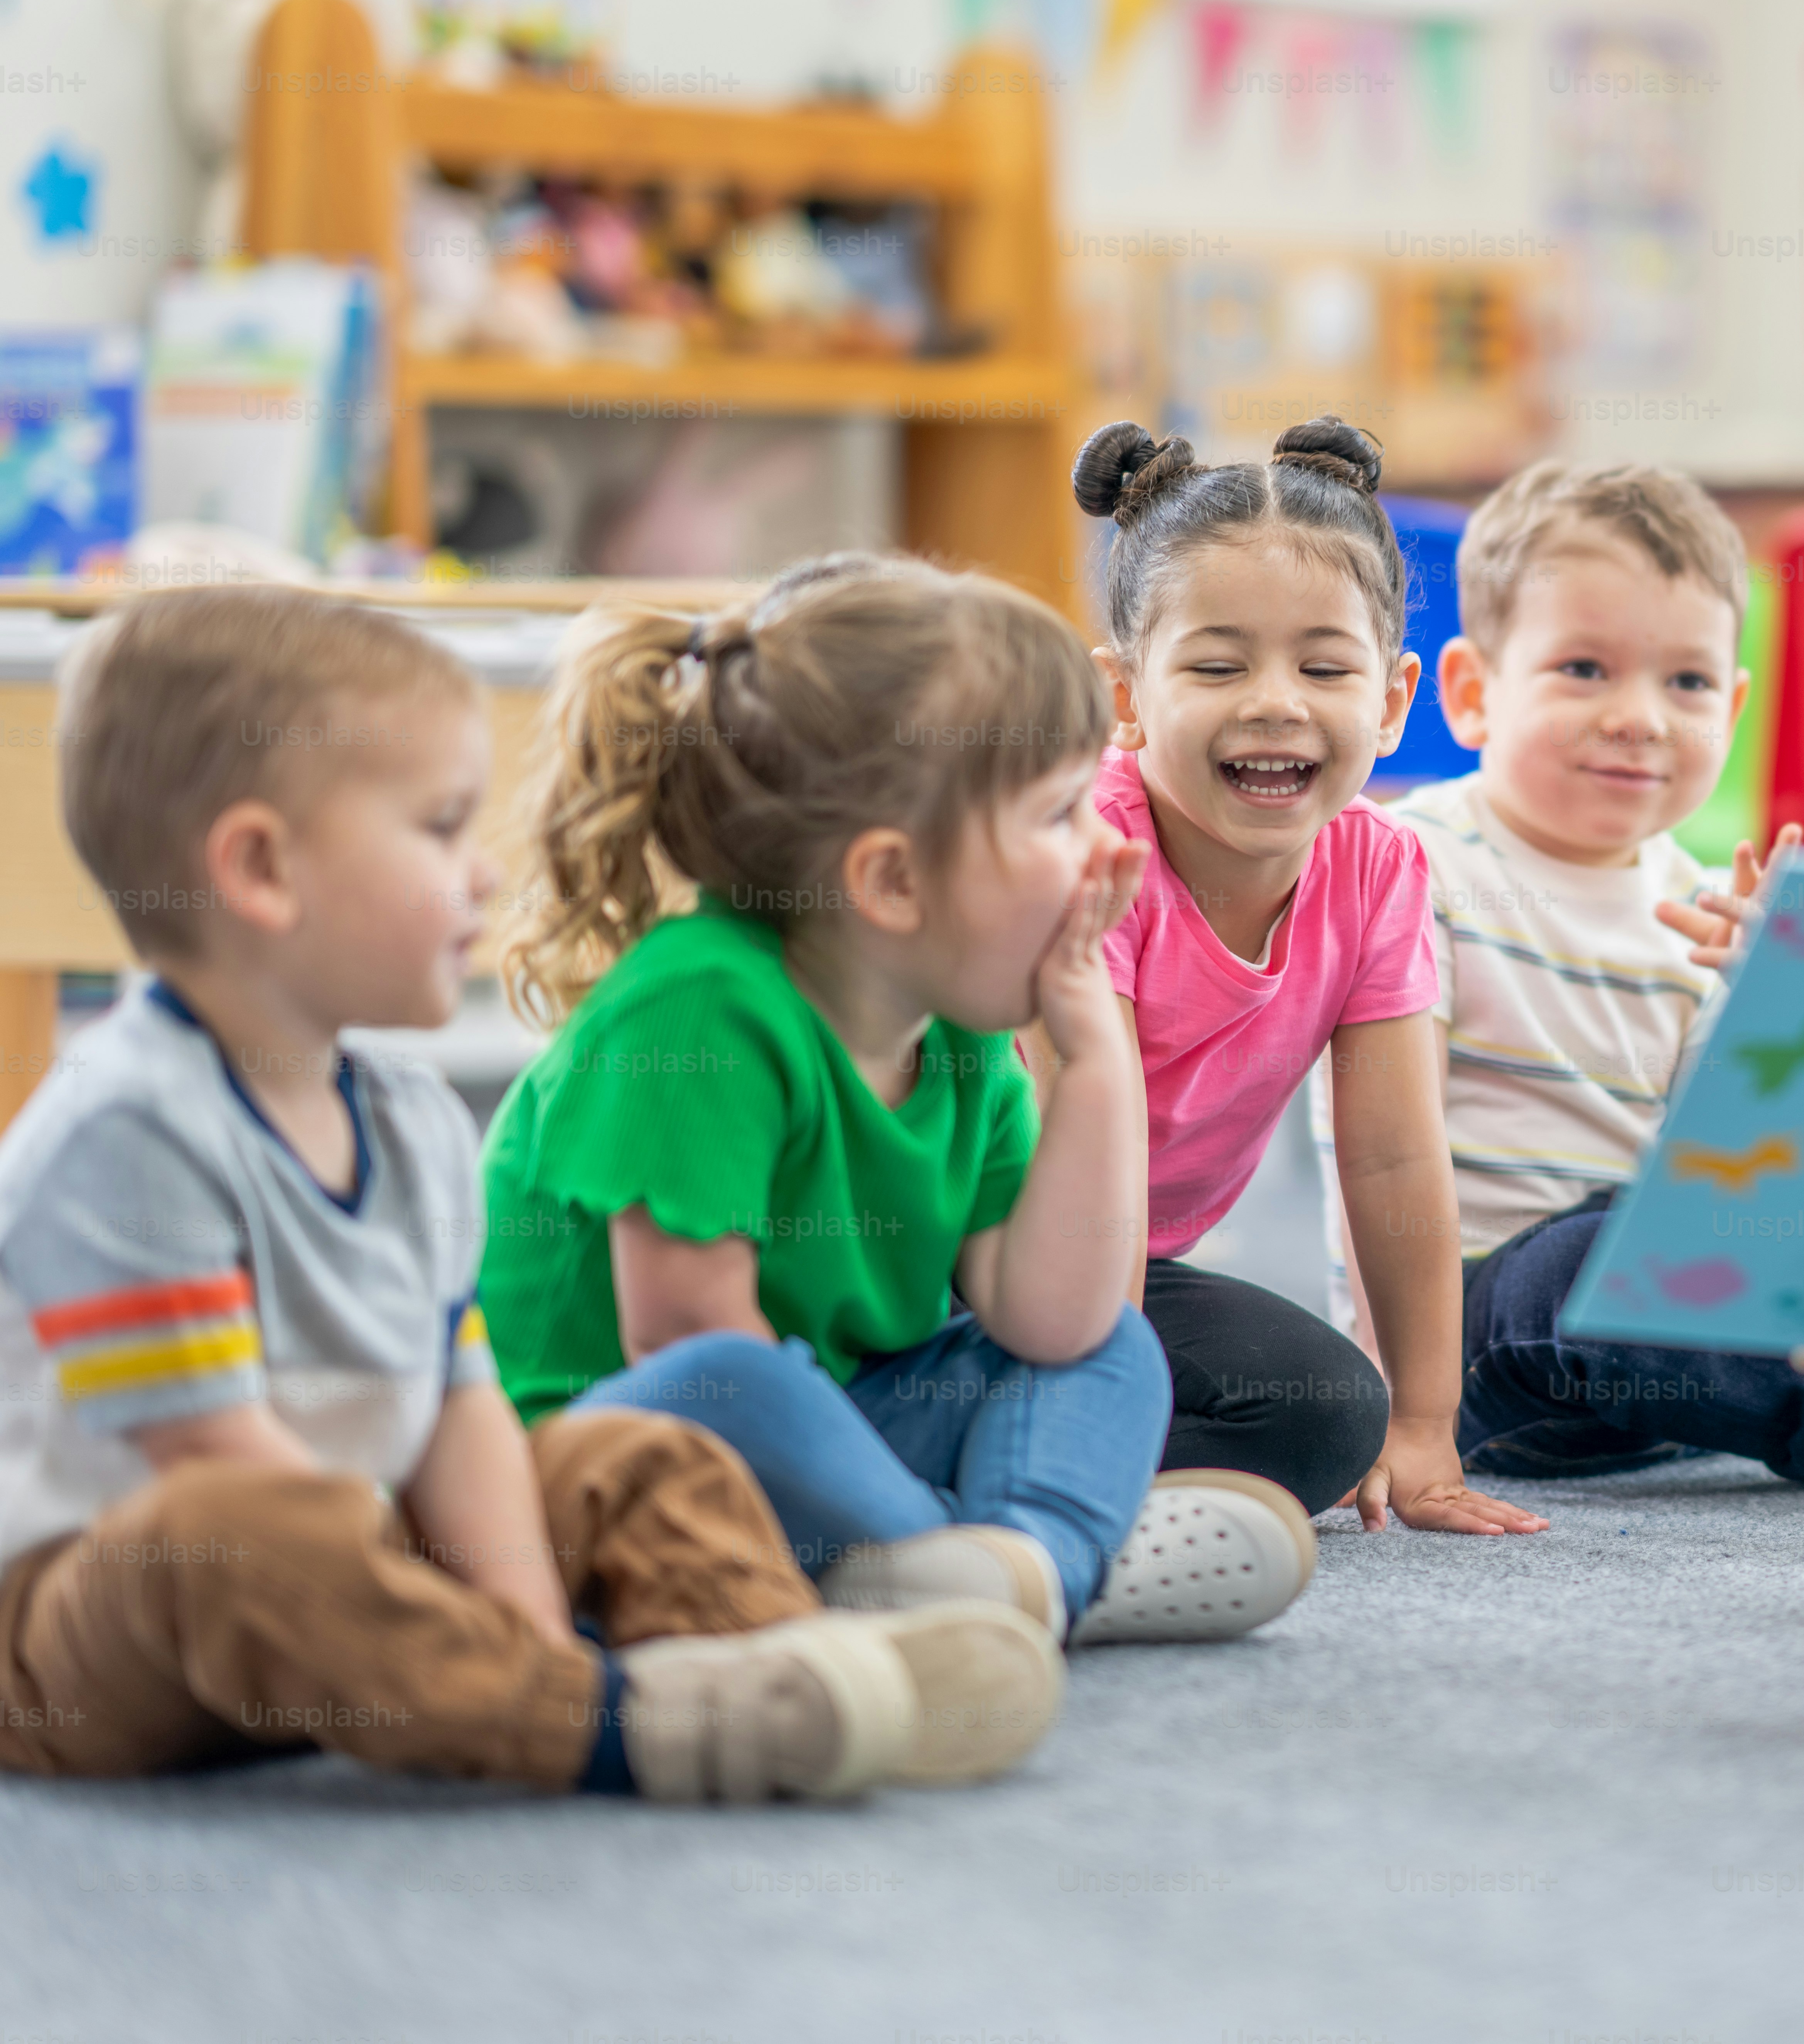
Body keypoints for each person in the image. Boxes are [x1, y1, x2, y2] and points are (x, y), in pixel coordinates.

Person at [0, 586, 1061, 1805]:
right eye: (443, 829)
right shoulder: (127, 1129)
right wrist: (525, 1662)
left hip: (365, 1554)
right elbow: (216, 1463)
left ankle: (786, 1669)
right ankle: (615, 1725)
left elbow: (459, 1410)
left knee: (634, 1457)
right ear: (259, 871)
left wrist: (527, 1614)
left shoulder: (402, 1116)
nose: (484, 872)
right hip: (93, 1630)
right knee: (246, 1531)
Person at [480, 555, 1317, 1651]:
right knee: (730, 1371)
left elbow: (1047, 1320)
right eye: (1060, 811)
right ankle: (998, 1569)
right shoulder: (696, 1005)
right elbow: (680, 1338)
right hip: (615, 1465)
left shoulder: (963, 1025)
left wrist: (1097, 1060)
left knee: (1109, 1348)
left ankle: (1013, 1567)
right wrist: (900, 1502)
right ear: (892, 884)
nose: (1112, 845)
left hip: (836, 1439)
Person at [1310, 459, 1804, 1485]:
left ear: (1733, 708)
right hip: (1474, 1344)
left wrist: (1777, 1012)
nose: (1640, 717)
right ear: (1473, 694)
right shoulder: (1404, 862)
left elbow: (1738, 1170)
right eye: (1584, 669)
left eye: (1688, 682)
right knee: (1597, 1257)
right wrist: (1403, 1400)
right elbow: (1377, 1154)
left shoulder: (1704, 905)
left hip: (1656, 1350)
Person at [1072, 415, 1544, 1536]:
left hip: (1122, 1272)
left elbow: (1390, 1155)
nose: (1275, 700)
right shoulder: (1090, 846)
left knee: (1329, 1414)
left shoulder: (1378, 865)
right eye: (1217, 664)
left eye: (1323, 666)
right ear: (1129, 693)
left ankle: (1022, 1458)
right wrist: (1087, 1388)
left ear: (1389, 700)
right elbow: (1077, 1144)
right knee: (1054, 1377)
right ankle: (1016, 1471)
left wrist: (1425, 1425)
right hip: (958, 1246)